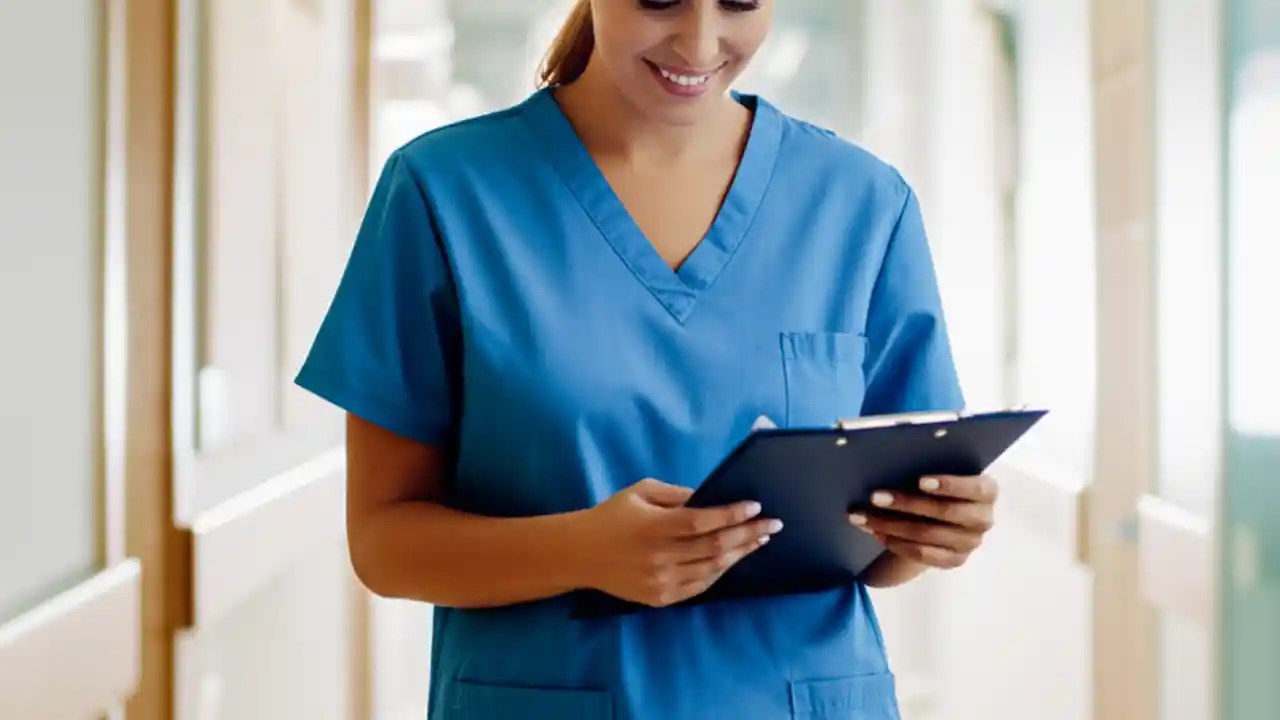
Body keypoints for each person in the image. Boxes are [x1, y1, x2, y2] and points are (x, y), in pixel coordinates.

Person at [295, 0, 999, 717]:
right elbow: (384, 542)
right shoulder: (444, 190)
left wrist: (934, 530)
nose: (699, 41)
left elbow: (886, 551)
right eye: (659, 0)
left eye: (739, 3)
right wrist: (581, 551)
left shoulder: (862, 203)